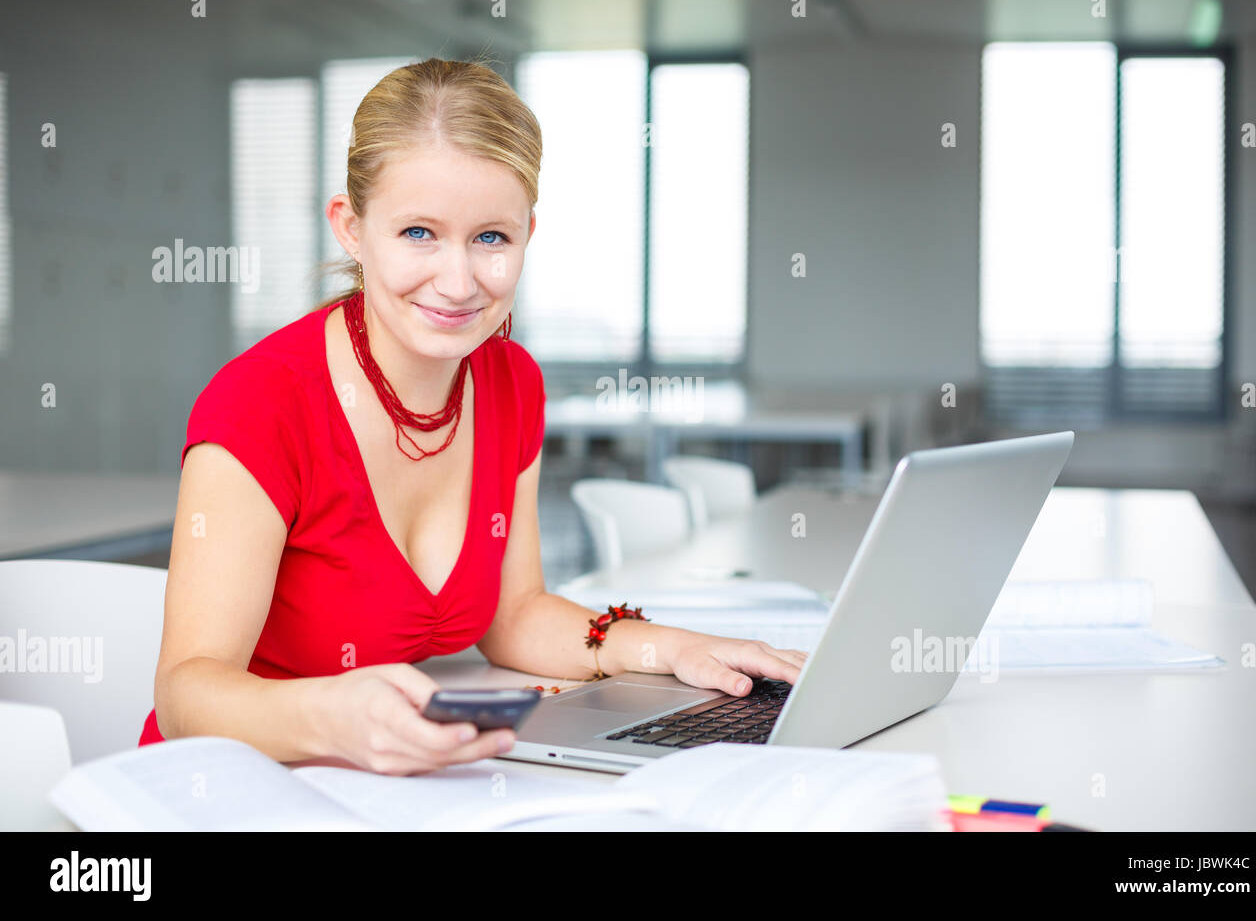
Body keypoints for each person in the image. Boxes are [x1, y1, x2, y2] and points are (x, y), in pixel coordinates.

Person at [143, 57, 806, 776]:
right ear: (351, 227)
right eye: (418, 233)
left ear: (527, 234)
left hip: (383, 790)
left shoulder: (510, 381)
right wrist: (330, 717)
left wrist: (671, 647)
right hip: (228, 790)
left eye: (491, 238)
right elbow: (185, 695)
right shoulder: (262, 403)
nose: (458, 283)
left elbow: (515, 614)